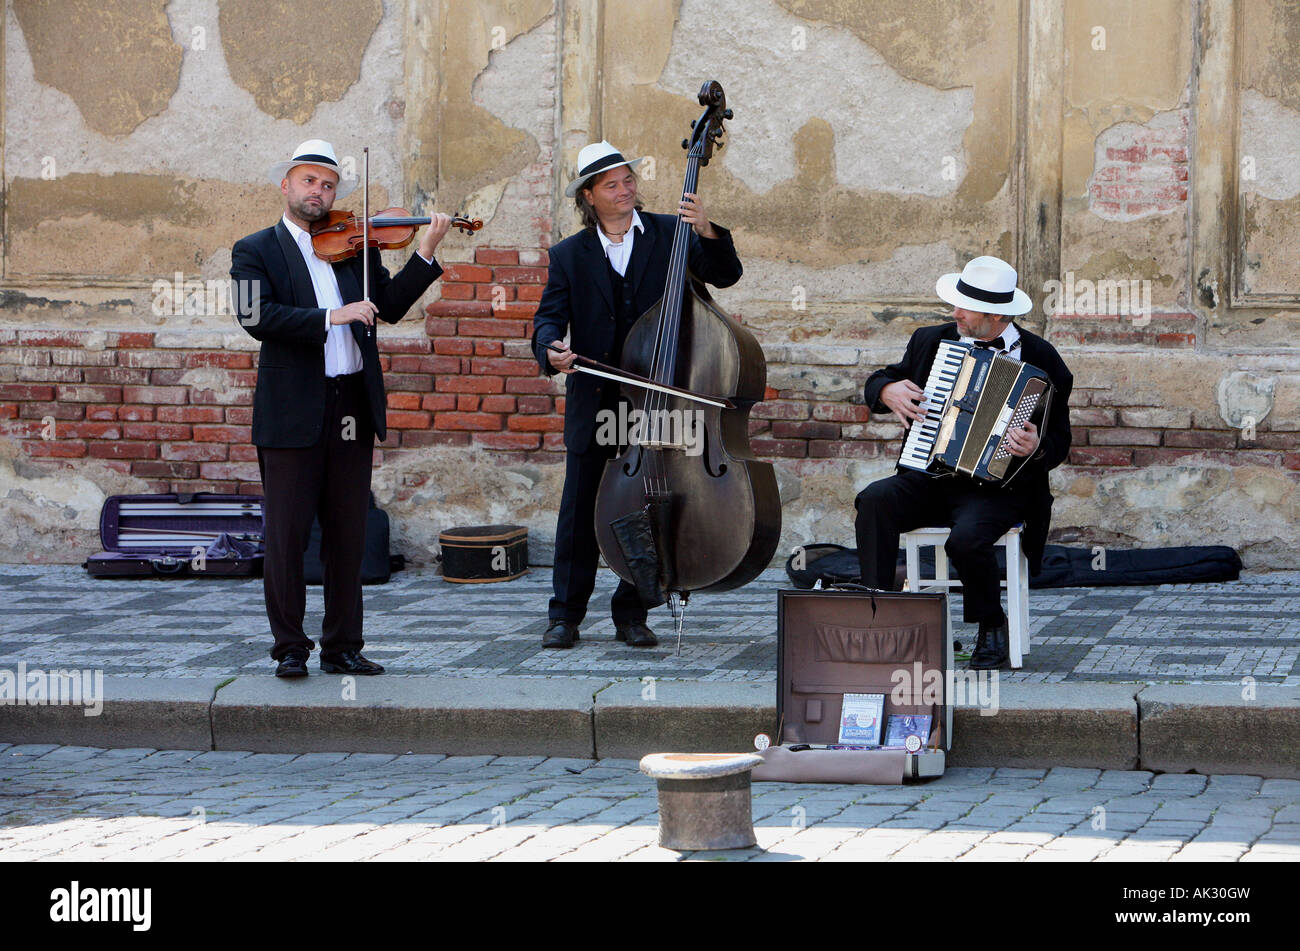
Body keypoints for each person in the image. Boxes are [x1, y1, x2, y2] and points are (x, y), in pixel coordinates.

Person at [231, 139, 452, 678]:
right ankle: (289, 648)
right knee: (286, 535)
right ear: (286, 186)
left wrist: (426, 249)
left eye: (328, 184)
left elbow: (391, 308)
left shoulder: (354, 246)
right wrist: (333, 316)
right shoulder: (253, 249)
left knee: (347, 533)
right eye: (309, 181)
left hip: (350, 401)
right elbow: (254, 317)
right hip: (291, 409)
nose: (319, 192)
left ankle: (342, 647)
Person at [531, 140, 743, 649]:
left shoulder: (672, 233)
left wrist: (708, 230)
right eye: (612, 184)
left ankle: (633, 611)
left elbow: (726, 274)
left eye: (629, 180)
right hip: (598, 400)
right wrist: (550, 349)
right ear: (589, 196)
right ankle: (565, 614)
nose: (625, 190)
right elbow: (547, 319)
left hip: (662, 398)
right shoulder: (568, 255)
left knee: (646, 502)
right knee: (580, 512)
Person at [854, 256, 1073, 670]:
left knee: (966, 540)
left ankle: (991, 624)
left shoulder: (1043, 360)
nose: (954, 313)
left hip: (998, 487)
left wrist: (1035, 447)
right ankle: (877, 616)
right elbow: (881, 378)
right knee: (874, 500)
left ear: (995, 315)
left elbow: (1059, 442)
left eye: (963, 307)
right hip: (930, 475)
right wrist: (885, 391)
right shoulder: (930, 341)